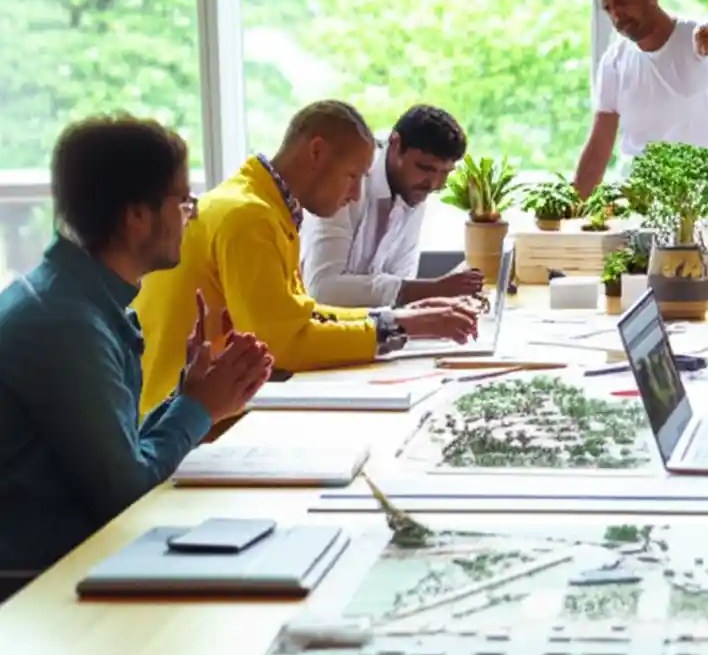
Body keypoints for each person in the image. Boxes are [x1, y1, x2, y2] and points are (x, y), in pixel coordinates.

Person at [0, 115, 273, 596]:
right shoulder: (65, 324)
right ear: (136, 216)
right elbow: (124, 490)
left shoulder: (73, 297)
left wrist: (188, 398)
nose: (190, 215)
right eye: (183, 201)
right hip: (41, 586)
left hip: (80, 559)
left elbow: (115, 456)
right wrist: (200, 408)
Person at [133, 100, 479, 413]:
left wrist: (393, 317)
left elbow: (297, 313)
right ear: (316, 152)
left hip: (203, 408)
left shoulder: (265, 205)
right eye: (352, 176)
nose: (356, 193)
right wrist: (398, 325)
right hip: (175, 422)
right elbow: (281, 343)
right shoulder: (250, 216)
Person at [573, 0, 708, 197]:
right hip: (637, 198)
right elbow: (600, 144)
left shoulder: (699, 40)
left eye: (622, 0)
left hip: (700, 197)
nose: (616, 14)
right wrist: (570, 208)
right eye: (608, 9)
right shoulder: (614, 61)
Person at [301, 104, 483, 308]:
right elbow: (323, 289)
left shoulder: (414, 191)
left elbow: (399, 288)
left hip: (364, 331)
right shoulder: (350, 180)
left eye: (445, 173)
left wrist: (437, 302)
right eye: (424, 168)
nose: (434, 184)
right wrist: (433, 289)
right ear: (395, 144)